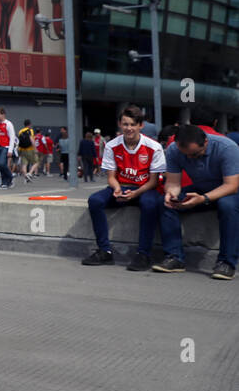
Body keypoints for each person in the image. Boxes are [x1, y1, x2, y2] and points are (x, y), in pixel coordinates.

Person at [81, 104, 165, 272]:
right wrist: (117, 189)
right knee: (95, 200)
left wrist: (135, 193)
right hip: (122, 186)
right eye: (125, 124)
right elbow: (111, 177)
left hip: (144, 189)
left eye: (133, 124)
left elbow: (154, 181)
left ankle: (144, 254)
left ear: (140, 125)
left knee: (150, 205)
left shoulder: (154, 147)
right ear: (120, 124)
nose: (129, 128)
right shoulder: (112, 145)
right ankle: (105, 251)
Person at [154, 125, 239, 280]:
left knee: (227, 206)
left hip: (229, 190)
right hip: (201, 188)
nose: (191, 158)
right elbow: (173, 182)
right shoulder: (174, 149)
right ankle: (174, 257)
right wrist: (171, 194)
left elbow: (231, 185)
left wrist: (204, 198)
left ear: (205, 142)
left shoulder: (227, 148)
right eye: (186, 155)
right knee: (164, 203)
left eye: (195, 154)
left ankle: (227, 262)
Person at [0, 107, 17, 189]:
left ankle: (10, 177)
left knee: (2, 163)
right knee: (0, 166)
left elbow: (12, 137)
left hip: (6, 147)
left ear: (3, 114)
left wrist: (10, 150)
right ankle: (5, 182)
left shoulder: (8, 124)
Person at [16, 119, 39, 183]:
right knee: (36, 162)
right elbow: (32, 140)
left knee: (24, 164)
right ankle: (30, 173)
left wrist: (19, 151)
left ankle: (26, 178)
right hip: (30, 149)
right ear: (30, 124)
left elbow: (19, 141)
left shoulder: (20, 131)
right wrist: (35, 149)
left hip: (22, 150)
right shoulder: (30, 130)